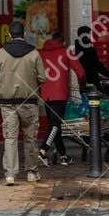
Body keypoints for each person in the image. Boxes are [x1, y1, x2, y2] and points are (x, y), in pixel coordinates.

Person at [0, 21, 47, 185]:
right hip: (29, 101)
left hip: (7, 102)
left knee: (10, 137)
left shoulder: (0, 53)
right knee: (30, 137)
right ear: (24, 34)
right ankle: (31, 172)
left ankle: (10, 174)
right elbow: (42, 78)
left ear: (9, 35)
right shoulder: (34, 53)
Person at [38, 30, 79, 166]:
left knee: (55, 126)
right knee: (55, 125)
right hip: (60, 94)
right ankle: (43, 151)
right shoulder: (66, 52)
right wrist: (83, 85)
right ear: (63, 42)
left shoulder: (41, 53)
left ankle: (63, 156)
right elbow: (81, 72)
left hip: (46, 94)